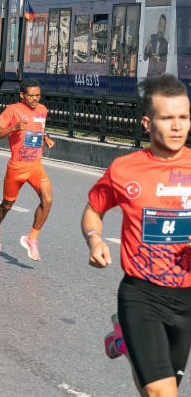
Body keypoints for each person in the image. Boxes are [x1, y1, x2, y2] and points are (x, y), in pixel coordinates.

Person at [82, 74, 191, 397]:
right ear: (147, 123)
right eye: (167, 118)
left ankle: (124, 342)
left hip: (186, 299)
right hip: (142, 295)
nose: (177, 127)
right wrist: (95, 239)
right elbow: (93, 210)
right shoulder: (124, 169)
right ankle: (129, 336)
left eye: (184, 117)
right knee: (162, 393)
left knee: (157, 391)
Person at [0, 78, 55, 261]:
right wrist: (14, 127)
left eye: (38, 95)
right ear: (22, 95)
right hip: (16, 168)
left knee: (47, 200)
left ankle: (31, 238)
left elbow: (39, 128)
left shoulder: (42, 110)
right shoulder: (12, 110)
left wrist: (46, 138)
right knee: (7, 205)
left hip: (35, 166)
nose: (35, 99)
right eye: (31, 95)